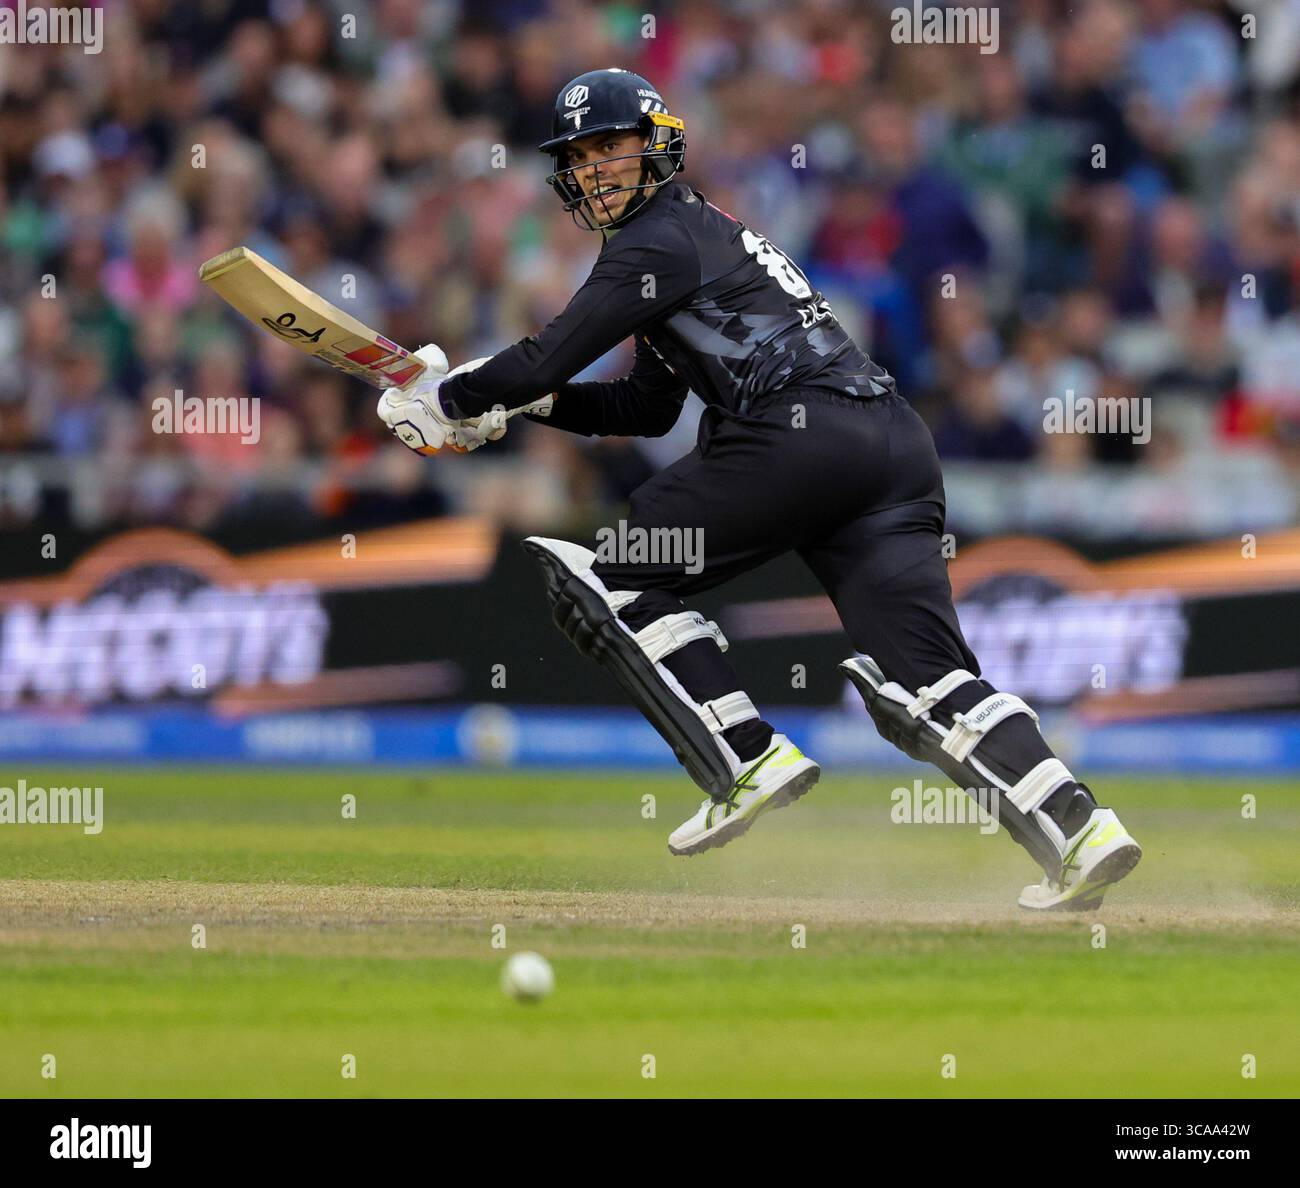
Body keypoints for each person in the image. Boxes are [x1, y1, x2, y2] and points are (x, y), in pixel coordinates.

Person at [376, 68, 1142, 911]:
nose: (595, 167)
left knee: (614, 572)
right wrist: (515, 404)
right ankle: (1081, 830)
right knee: (930, 681)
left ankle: (744, 751)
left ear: (656, 146)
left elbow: (549, 351)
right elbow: (642, 402)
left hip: (800, 435)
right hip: (887, 446)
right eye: (580, 154)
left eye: (610, 146)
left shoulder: (654, 242)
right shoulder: (692, 241)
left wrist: (451, 398)